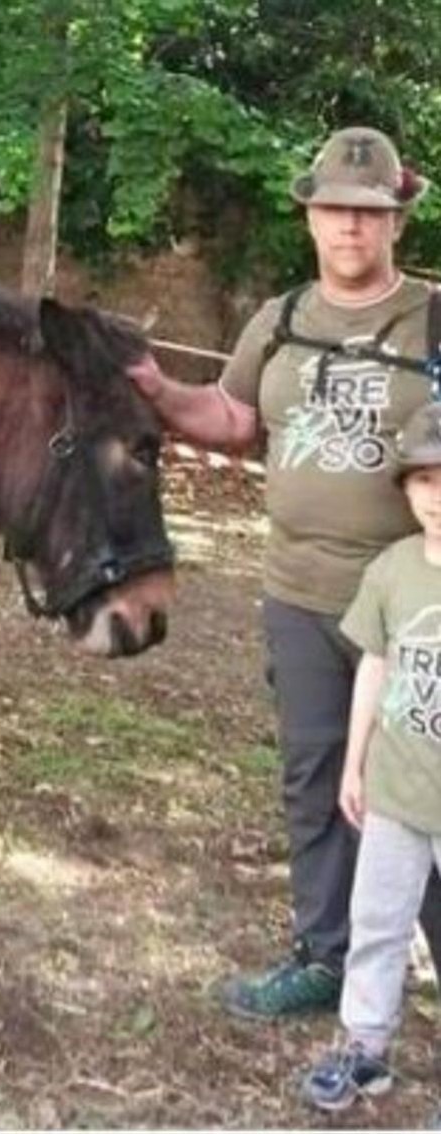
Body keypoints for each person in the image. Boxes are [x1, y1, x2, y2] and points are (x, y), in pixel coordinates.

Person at [127, 125, 441, 1018]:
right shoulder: (282, 319)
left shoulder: (437, 318)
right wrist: (152, 387)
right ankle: (324, 955)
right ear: (311, 218)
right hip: (299, 596)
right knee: (313, 774)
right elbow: (231, 417)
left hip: (420, 603)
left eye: (370, 213)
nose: (352, 227)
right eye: (337, 211)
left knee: (426, 782)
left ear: (396, 222)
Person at [301, 400, 441, 1111]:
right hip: (395, 789)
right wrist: (354, 764)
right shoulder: (392, 570)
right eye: (424, 480)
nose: (438, 497)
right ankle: (365, 1047)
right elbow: (374, 670)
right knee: (379, 923)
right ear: (406, 489)